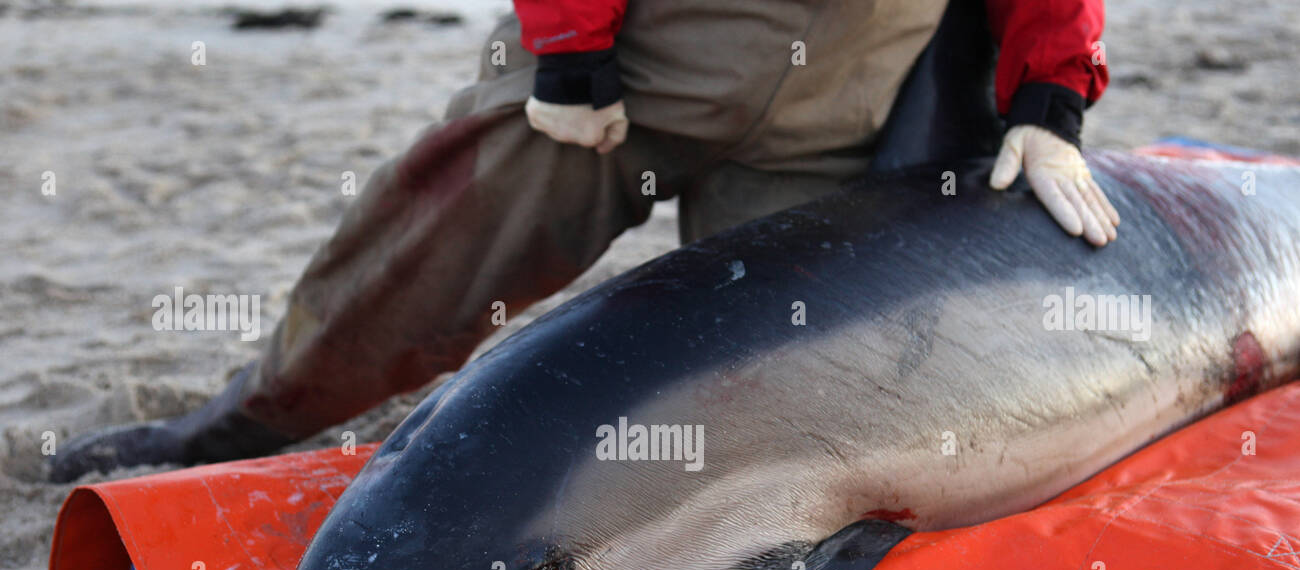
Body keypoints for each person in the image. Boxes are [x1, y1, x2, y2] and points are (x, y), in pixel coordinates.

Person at [50, 0, 1120, 483]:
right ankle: (243, 418)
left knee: (781, 387)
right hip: (624, 71)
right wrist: (568, 45)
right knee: (427, 255)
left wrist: (1047, 98)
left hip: (830, 108)